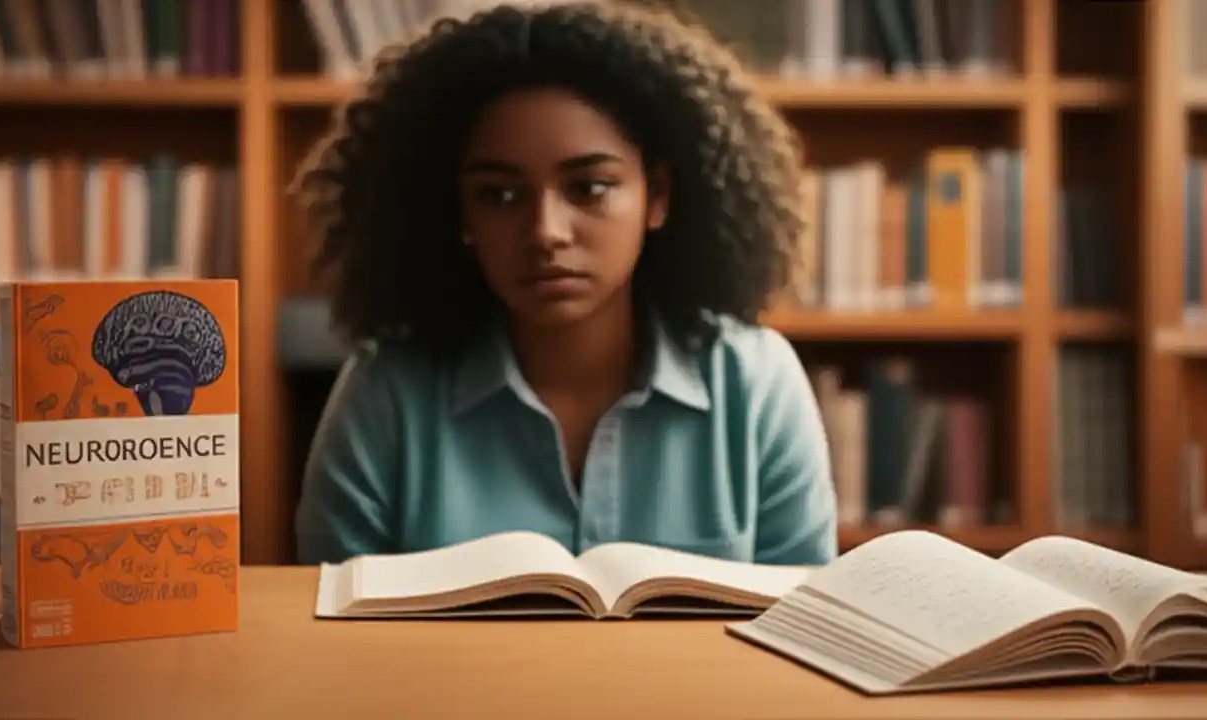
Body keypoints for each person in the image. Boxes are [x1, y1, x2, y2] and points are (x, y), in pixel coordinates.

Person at [292, 1, 836, 566]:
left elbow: (798, 624)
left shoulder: (752, 385)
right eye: (499, 196)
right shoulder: (387, 394)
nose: (545, 232)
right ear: (459, 214)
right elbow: (331, 626)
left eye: (589, 188)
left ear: (658, 195)